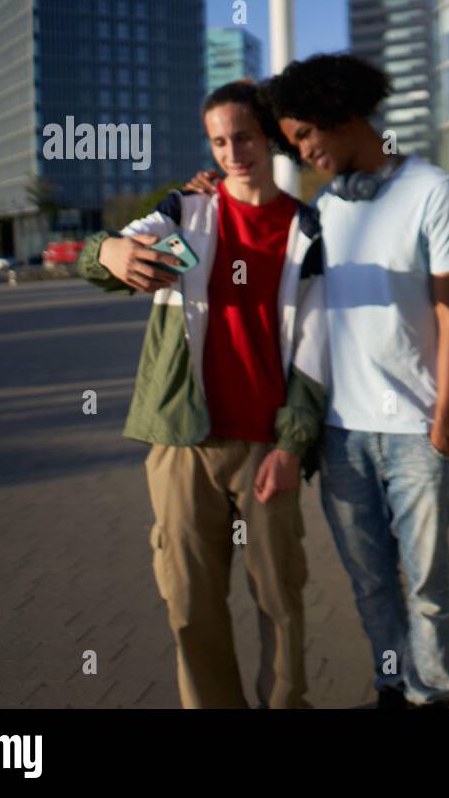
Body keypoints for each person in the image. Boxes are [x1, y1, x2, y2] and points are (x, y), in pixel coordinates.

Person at [190, 55, 449, 708]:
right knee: (370, 582)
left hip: (415, 429)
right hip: (340, 434)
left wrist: (445, 421)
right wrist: (209, 187)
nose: (304, 153)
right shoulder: (318, 212)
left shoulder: (432, 189)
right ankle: (390, 686)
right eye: (292, 144)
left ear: (343, 117)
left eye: (306, 137)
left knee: (426, 581)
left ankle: (432, 693)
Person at [77, 80, 327, 708]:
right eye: (219, 141)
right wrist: (106, 250)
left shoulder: (307, 229)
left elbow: (316, 349)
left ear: (267, 136)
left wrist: (293, 445)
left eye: (242, 136)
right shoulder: (184, 213)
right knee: (190, 605)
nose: (232, 151)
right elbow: (108, 266)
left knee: (281, 601)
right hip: (183, 444)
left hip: (266, 445)